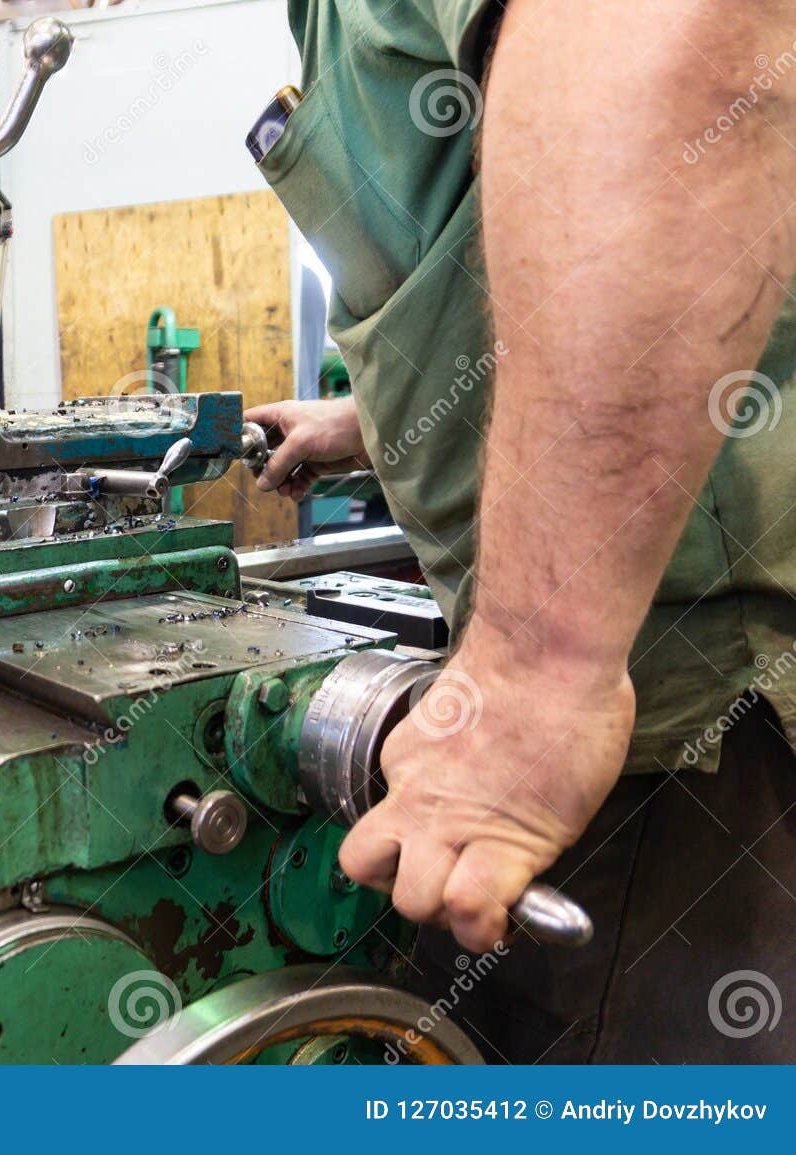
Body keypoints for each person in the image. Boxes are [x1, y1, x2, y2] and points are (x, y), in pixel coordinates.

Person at [246, 0, 796, 1062]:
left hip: (685, 737)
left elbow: (671, 37)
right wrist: (385, 415)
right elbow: (491, 249)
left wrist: (541, 662)